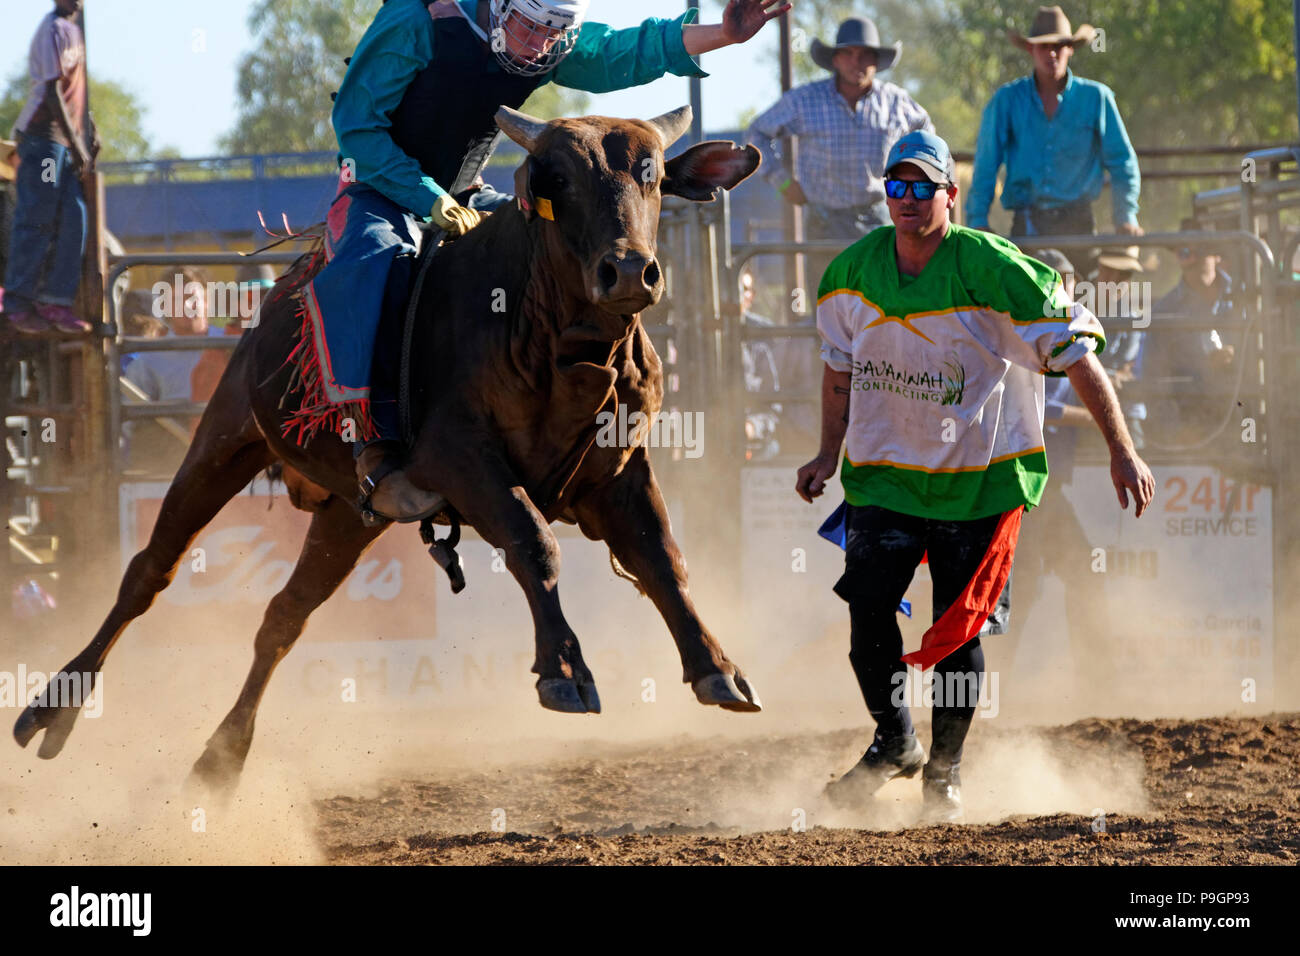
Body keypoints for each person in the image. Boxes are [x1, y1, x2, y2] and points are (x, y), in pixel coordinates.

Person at [298, 0, 788, 522]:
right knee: (379, 257)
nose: (537, 46)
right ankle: (377, 451)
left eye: (552, 35)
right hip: (379, 190)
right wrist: (430, 199)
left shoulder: (541, 42)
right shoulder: (419, 19)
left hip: (464, 193)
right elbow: (356, 127)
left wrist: (725, 33)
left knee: (543, 237)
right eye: (529, 27)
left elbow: (624, 49)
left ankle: (555, 437)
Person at [795, 130, 1154, 823]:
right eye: (896, 186)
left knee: (960, 631)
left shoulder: (993, 266)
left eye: (921, 186)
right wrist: (823, 452)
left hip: (979, 476)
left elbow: (1076, 352)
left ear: (949, 195)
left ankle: (947, 770)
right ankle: (895, 740)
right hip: (884, 474)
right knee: (867, 613)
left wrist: (1122, 449)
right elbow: (837, 370)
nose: (906, 199)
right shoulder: (848, 274)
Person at [747, 15, 932, 282]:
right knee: (829, 306)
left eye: (865, 55)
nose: (856, 62)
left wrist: (910, 187)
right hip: (824, 220)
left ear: (876, 61)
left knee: (883, 307)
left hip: (879, 218)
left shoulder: (896, 102)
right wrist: (784, 182)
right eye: (848, 53)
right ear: (835, 59)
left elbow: (929, 144)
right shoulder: (806, 100)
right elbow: (756, 134)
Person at [966, 5, 1141, 239]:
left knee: (1083, 276)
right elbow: (986, 164)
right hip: (1026, 224)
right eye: (1044, 46)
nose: (1052, 54)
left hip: (1079, 223)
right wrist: (977, 221)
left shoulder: (1097, 98)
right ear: (1031, 49)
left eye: (1058, 46)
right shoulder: (1007, 100)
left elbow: (1122, 161)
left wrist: (1125, 217)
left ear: (1070, 49)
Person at [2, 0, 96, 337]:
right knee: (38, 213)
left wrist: (83, 136)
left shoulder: (75, 30)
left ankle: (55, 299)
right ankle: (17, 300)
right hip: (44, 139)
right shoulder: (52, 30)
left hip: (63, 142)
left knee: (76, 214)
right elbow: (54, 92)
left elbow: (74, 94)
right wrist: (77, 142)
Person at [1145, 220, 1238, 447]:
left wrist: (1238, 358)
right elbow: (1153, 379)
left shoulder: (1245, 298)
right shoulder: (1164, 311)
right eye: (1184, 251)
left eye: (1200, 250)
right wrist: (1177, 434)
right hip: (1190, 421)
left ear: (1216, 255)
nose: (1190, 258)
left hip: (1242, 413)